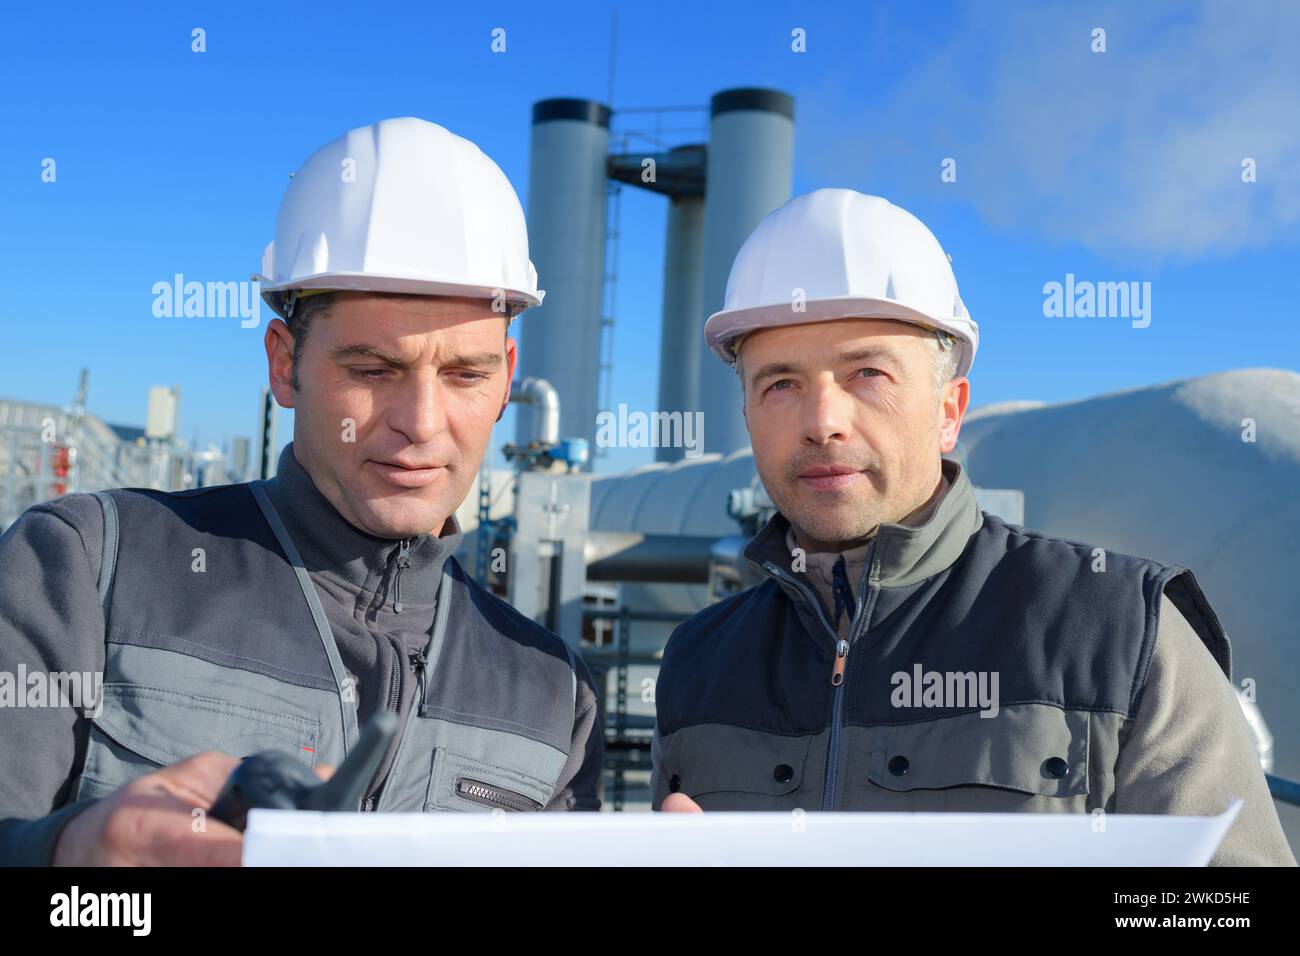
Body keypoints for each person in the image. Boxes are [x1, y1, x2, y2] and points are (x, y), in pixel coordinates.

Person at [0, 117, 602, 867]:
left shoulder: (550, 694)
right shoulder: (87, 572)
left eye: (465, 375)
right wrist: (68, 860)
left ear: (508, 378)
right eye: (372, 369)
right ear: (285, 366)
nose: (420, 424)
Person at [650, 188, 1294, 866]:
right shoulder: (699, 662)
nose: (823, 421)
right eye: (780, 384)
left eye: (868, 372)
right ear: (748, 415)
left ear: (948, 410)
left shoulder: (1121, 633)